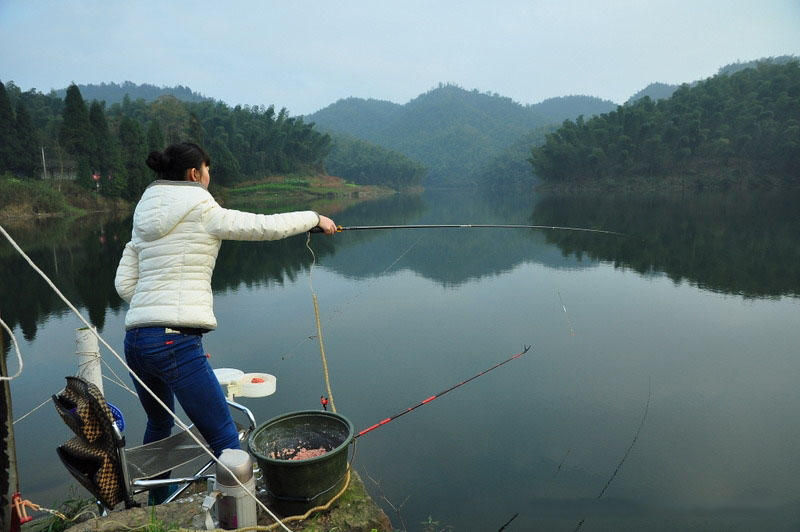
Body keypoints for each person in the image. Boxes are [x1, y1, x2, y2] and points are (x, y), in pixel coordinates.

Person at [115, 142, 336, 466]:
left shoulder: (143, 219)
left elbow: (124, 286)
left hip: (135, 341)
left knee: (159, 423)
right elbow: (265, 227)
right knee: (225, 439)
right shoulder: (203, 211)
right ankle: (240, 511)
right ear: (194, 174)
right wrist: (314, 217)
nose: (209, 176)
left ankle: (154, 509)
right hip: (174, 341)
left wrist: (155, 309)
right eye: (207, 170)